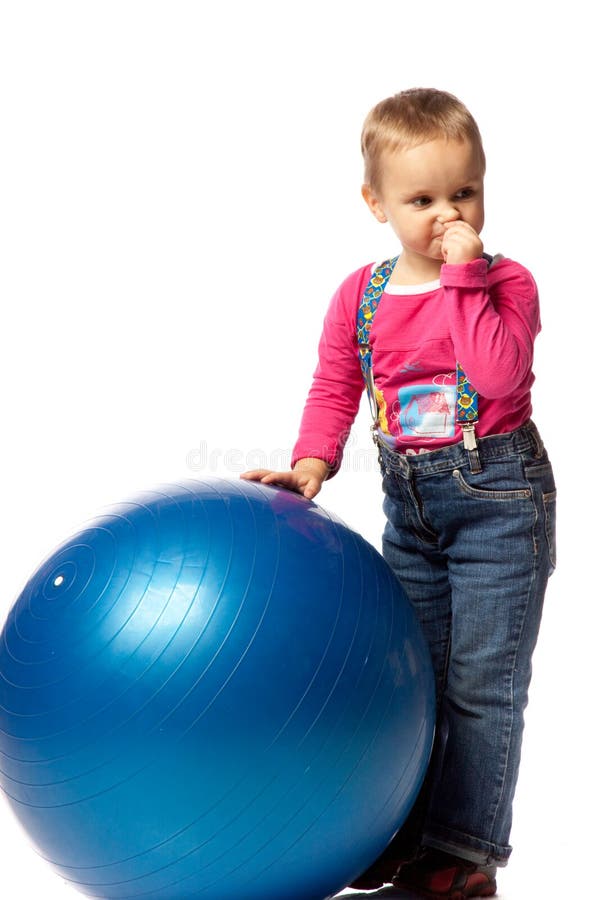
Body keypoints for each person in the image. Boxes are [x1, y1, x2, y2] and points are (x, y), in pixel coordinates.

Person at [242, 88, 556, 900]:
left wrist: (463, 277)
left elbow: (494, 375)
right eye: (422, 200)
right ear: (375, 203)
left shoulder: (506, 285)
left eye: (464, 193)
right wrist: (312, 462)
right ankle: (403, 832)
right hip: (410, 507)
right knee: (407, 673)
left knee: (481, 685)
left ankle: (464, 851)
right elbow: (337, 381)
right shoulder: (362, 294)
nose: (447, 213)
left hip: (498, 501)